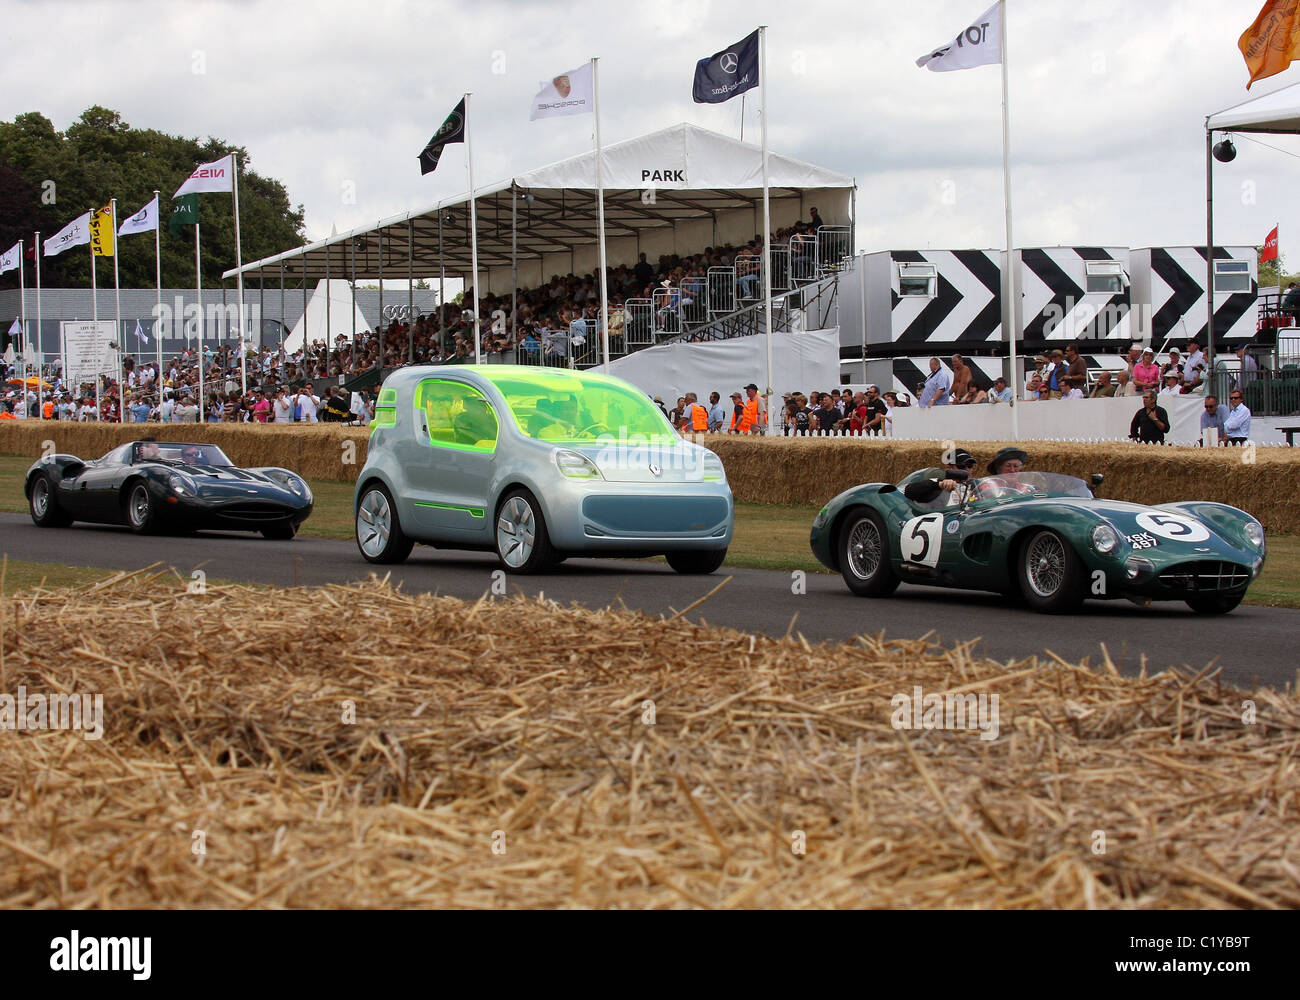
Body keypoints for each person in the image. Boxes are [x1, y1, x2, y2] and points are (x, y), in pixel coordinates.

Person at [903, 448, 978, 506]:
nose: (967, 469)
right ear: (949, 468)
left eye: (970, 466)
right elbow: (909, 491)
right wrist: (940, 485)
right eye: (962, 466)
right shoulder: (938, 482)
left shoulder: (975, 487)